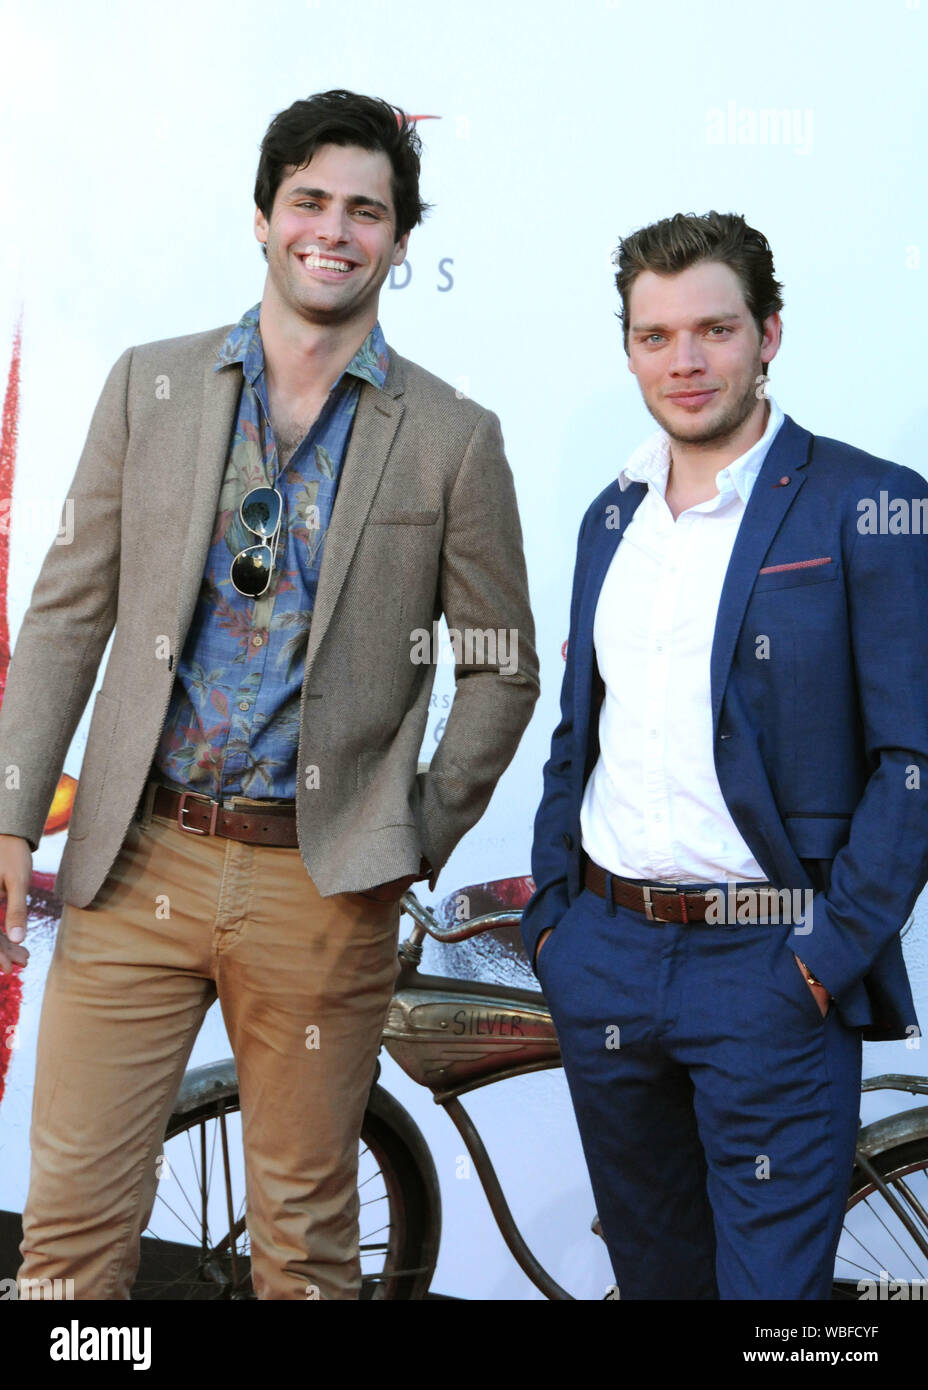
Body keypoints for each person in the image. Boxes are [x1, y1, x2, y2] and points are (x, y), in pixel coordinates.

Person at [0, 88, 538, 1300]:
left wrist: (408, 832)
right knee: (69, 1245)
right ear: (262, 216)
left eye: (367, 209)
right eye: (310, 200)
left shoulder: (453, 436)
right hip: (135, 863)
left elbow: (503, 662)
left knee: (303, 1244)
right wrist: (11, 807)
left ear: (400, 239)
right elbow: (69, 609)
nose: (333, 229)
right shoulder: (154, 386)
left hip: (320, 885)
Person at [521, 210, 928, 1300]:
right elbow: (580, 725)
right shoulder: (613, 513)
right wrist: (556, 920)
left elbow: (912, 759)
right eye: (654, 336)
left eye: (712, 328)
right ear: (627, 350)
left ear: (768, 335)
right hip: (603, 950)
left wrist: (820, 957)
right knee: (657, 1285)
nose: (684, 361)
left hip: (767, 968)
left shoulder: (865, 502)